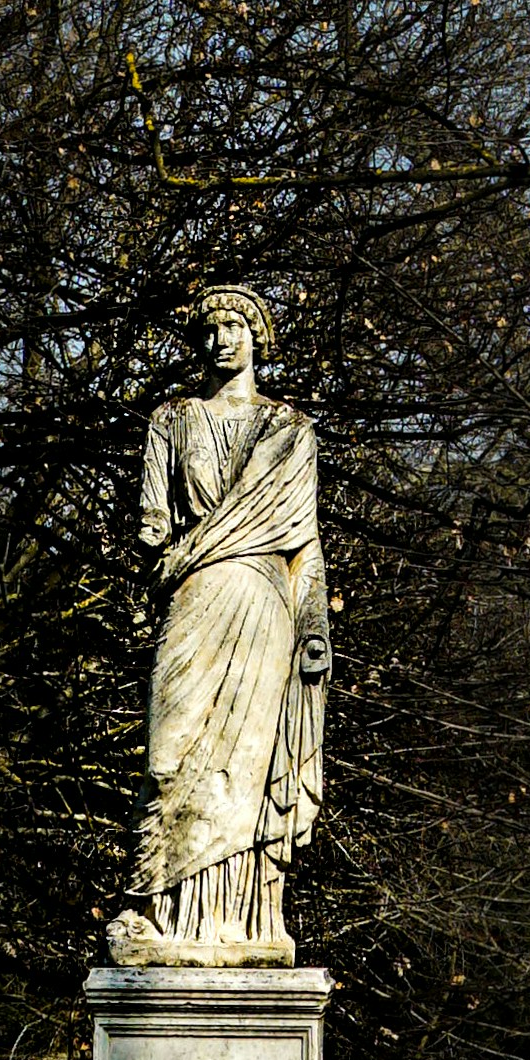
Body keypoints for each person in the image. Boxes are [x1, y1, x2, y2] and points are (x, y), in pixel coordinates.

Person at [108, 281, 330, 965]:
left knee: (245, 769)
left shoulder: (289, 431)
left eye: (234, 325)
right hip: (194, 599)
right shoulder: (170, 421)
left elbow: (306, 546)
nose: (220, 339)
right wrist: (166, 550)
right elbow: (151, 528)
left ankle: (245, 922)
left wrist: (314, 626)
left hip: (262, 604)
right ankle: (158, 910)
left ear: (257, 336)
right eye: (209, 329)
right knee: (169, 758)